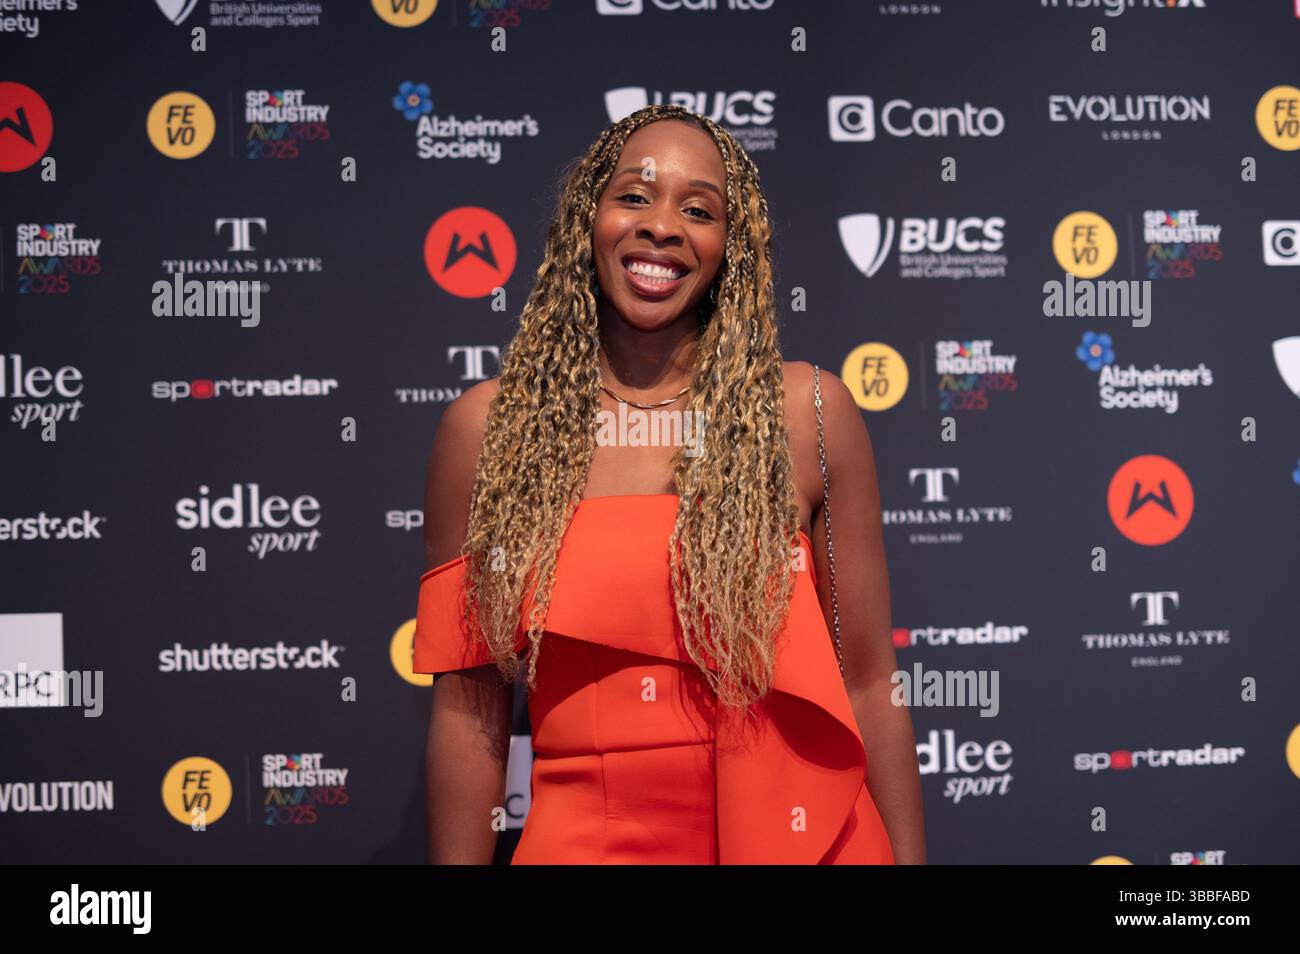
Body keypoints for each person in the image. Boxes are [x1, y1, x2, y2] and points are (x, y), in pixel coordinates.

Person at [416, 103, 925, 864]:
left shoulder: (807, 413)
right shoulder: (489, 432)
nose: (662, 225)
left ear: (732, 248)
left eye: (698, 209)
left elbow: (869, 686)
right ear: (587, 221)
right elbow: (468, 715)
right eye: (633, 196)